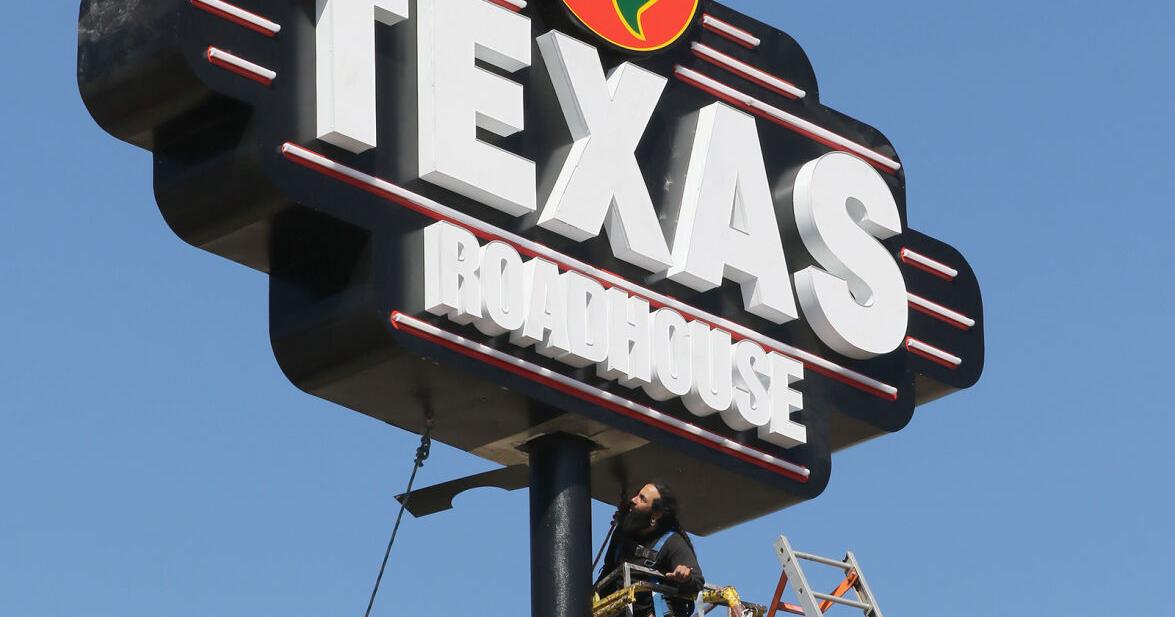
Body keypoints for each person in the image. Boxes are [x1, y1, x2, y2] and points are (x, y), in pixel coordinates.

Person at [595, 483, 704, 617]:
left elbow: (697, 582)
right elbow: (608, 571)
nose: (633, 500)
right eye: (636, 495)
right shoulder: (621, 534)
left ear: (656, 514)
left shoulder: (672, 542)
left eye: (642, 499)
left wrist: (686, 578)